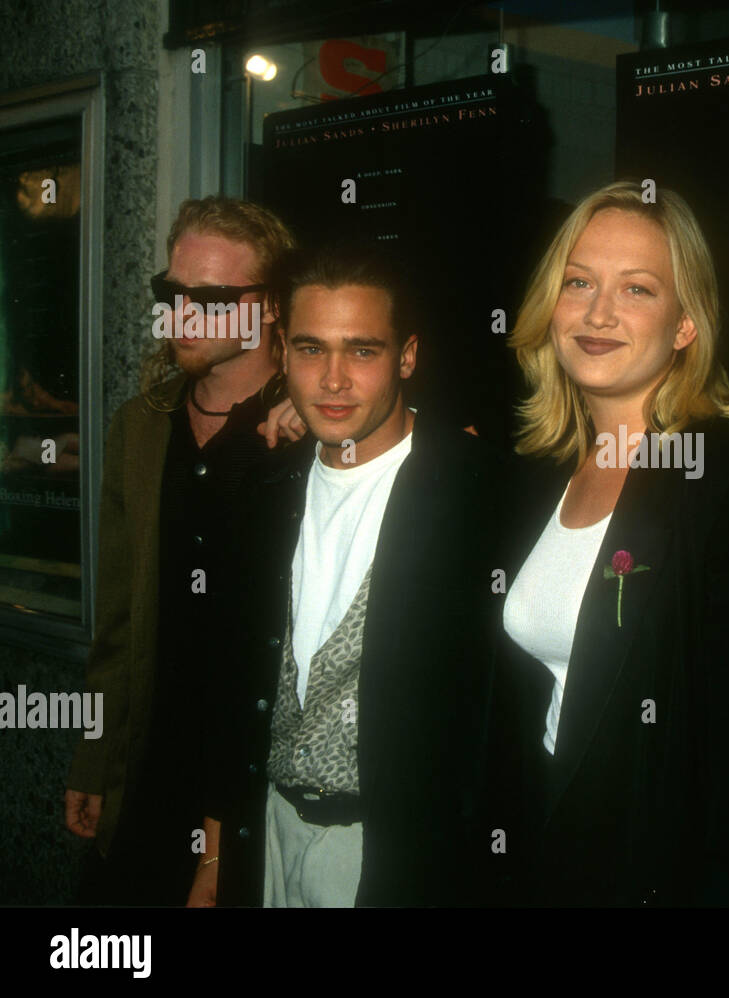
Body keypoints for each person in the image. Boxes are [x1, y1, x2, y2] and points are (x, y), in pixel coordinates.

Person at [491, 180, 729, 906]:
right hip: (549, 855)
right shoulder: (537, 473)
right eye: (579, 282)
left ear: (685, 326)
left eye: (637, 289)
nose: (598, 312)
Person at [189, 242, 506, 907]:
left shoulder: (480, 496)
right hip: (266, 834)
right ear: (282, 355)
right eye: (310, 349)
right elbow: (225, 689)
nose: (333, 380)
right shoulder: (258, 490)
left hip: (397, 856)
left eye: (362, 350)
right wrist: (214, 861)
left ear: (408, 356)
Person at [64, 196, 295, 905]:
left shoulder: (311, 435)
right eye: (173, 293)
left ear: (273, 307)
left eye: (214, 297)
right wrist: (95, 758)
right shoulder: (142, 425)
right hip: (149, 774)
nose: (182, 314)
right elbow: (119, 623)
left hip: (257, 791)